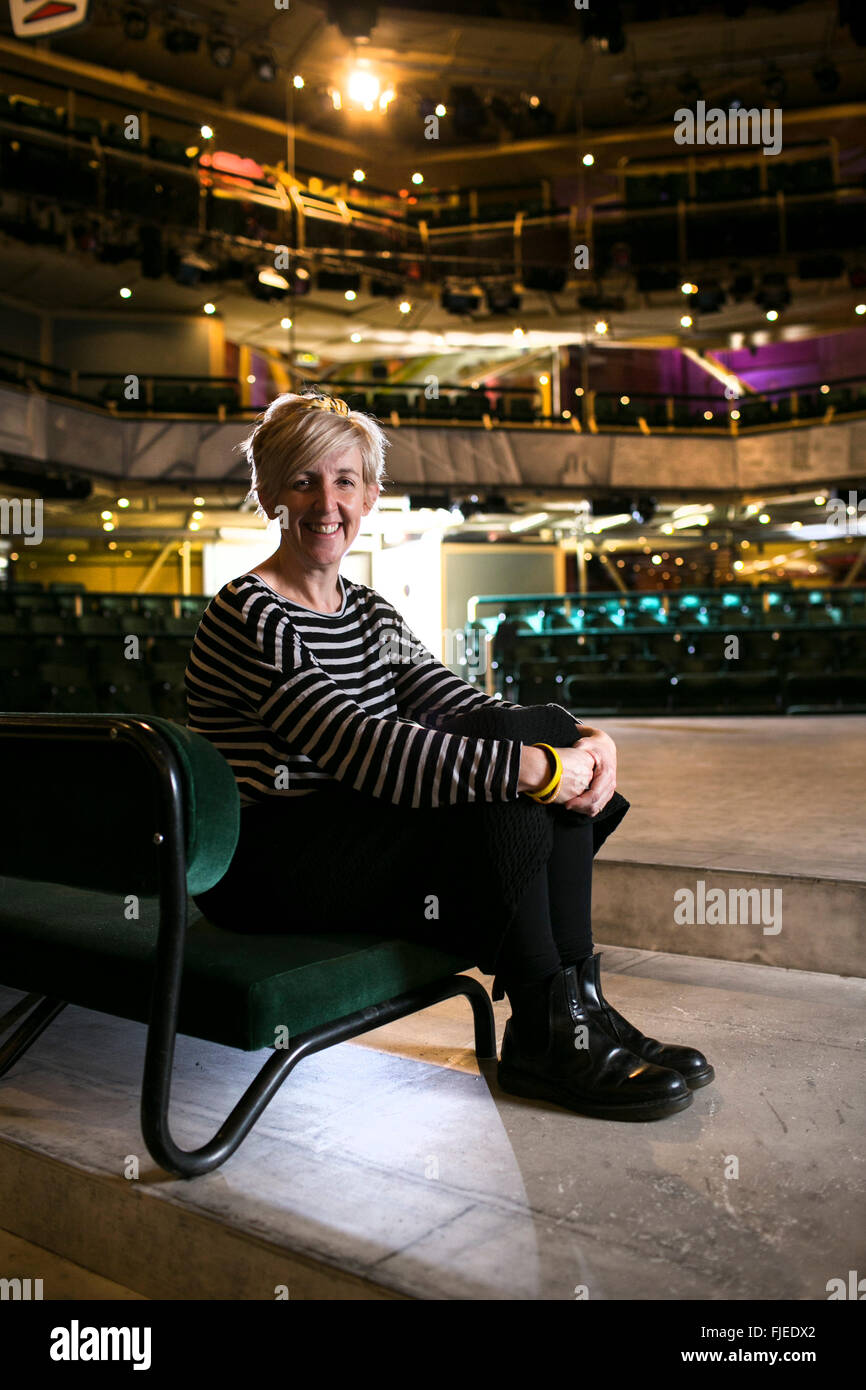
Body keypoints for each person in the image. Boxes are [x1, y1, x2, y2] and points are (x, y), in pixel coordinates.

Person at [185, 391, 713, 1123]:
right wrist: (532, 767)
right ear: (270, 493)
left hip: (347, 836)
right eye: (303, 480)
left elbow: (466, 705)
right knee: (506, 781)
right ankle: (545, 1028)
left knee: (538, 728)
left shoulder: (369, 613)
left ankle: (575, 1008)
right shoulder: (250, 613)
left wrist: (585, 740)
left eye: (344, 480)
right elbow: (361, 747)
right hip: (265, 864)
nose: (326, 502)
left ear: (370, 493)